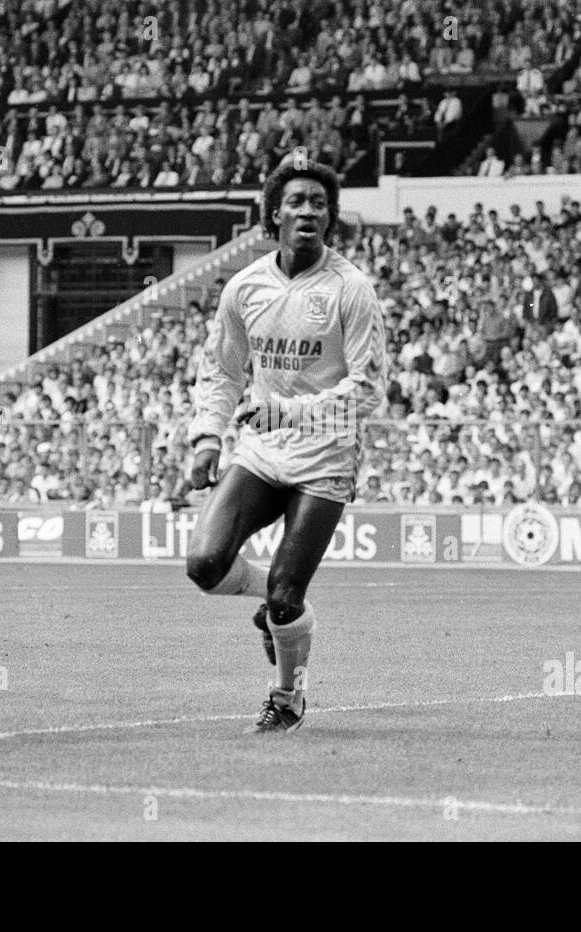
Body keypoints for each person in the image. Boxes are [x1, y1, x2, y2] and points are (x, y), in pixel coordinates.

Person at [184, 150, 387, 733]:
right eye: (296, 202)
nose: (308, 211)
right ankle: (270, 610)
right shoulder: (245, 287)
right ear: (273, 214)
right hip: (263, 452)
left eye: (319, 204)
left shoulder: (351, 289)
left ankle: (287, 698)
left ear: (330, 219)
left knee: (287, 593)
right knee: (203, 563)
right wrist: (206, 439)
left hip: (326, 455)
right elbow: (220, 369)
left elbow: (369, 389)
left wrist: (286, 410)